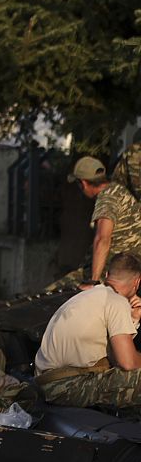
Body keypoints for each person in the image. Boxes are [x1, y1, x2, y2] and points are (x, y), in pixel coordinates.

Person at [35, 252, 141, 412]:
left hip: (47, 382)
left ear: (107, 275)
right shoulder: (116, 302)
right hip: (65, 386)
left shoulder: (88, 295)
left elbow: (112, 353)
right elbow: (127, 363)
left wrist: (133, 318)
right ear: (137, 282)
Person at [72, 157, 141, 289]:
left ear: (83, 183)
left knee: (53, 294)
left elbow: (103, 239)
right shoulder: (118, 189)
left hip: (118, 271)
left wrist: (94, 282)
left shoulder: (106, 199)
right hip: (131, 267)